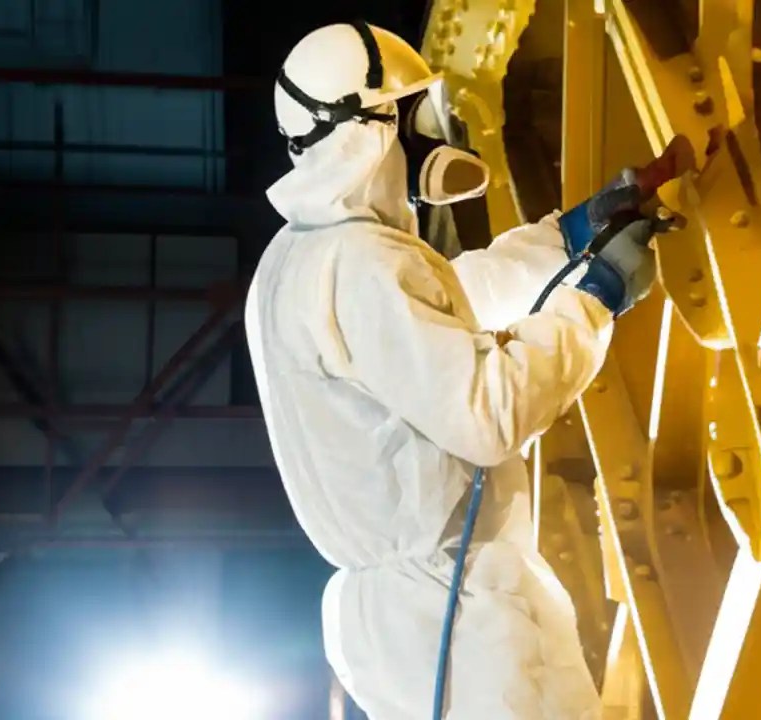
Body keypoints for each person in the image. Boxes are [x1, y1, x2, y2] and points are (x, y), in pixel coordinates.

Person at [245, 21, 661, 720]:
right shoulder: (360, 264)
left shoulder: (304, 259)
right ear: (368, 130)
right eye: (413, 116)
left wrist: (571, 235)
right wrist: (595, 301)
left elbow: (445, 307)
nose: (428, 139)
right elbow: (486, 412)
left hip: (413, 611)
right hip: (452, 615)